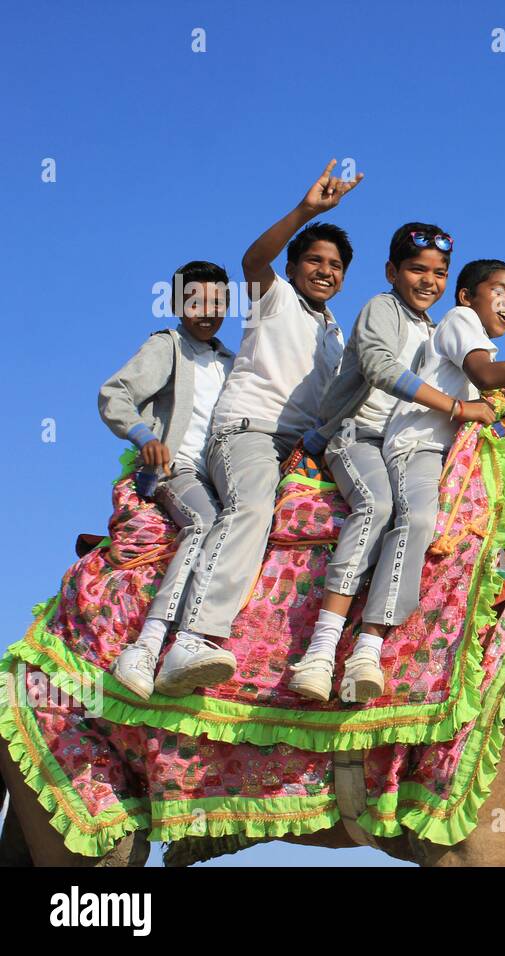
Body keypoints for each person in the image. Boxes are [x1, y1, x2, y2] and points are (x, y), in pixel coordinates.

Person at [340, 259, 505, 703]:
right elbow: (484, 375)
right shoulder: (459, 322)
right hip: (419, 446)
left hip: (451, 459)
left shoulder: (477, 342)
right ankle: (367, 646)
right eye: (500, 292)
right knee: (420, 520)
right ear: (466, 296)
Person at [164, 161, 359, 696]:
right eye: (314, 260)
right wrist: (306, 212)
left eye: (337, 265)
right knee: (248, 508)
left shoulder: (336, 334)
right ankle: (193, 636)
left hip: (301, 450)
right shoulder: (274, 299)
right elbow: (253, 258)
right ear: (293, 265)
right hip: (248, 433)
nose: (326, 270)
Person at [286, 225, 494, 701]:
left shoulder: (438, 331)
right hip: (357, 434)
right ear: (391, 272)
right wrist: (457, 407)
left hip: (405, 447)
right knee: (376, 505)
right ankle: (320, 650)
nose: (428, 281)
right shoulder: (382, 309)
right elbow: (379, 367)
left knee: (420, 517)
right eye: (417, 269)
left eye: (438, 273)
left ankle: (369, 646)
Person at [100, 262, 236, 699]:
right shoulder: (168, 347)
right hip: (175, 468)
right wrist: (144, 436)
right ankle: (148, 645)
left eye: (217, 301)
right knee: (205, 522)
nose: (206, 310)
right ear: (178, 305)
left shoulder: (231, 363)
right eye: (195, 301)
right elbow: (114, 393)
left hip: (220, 474)